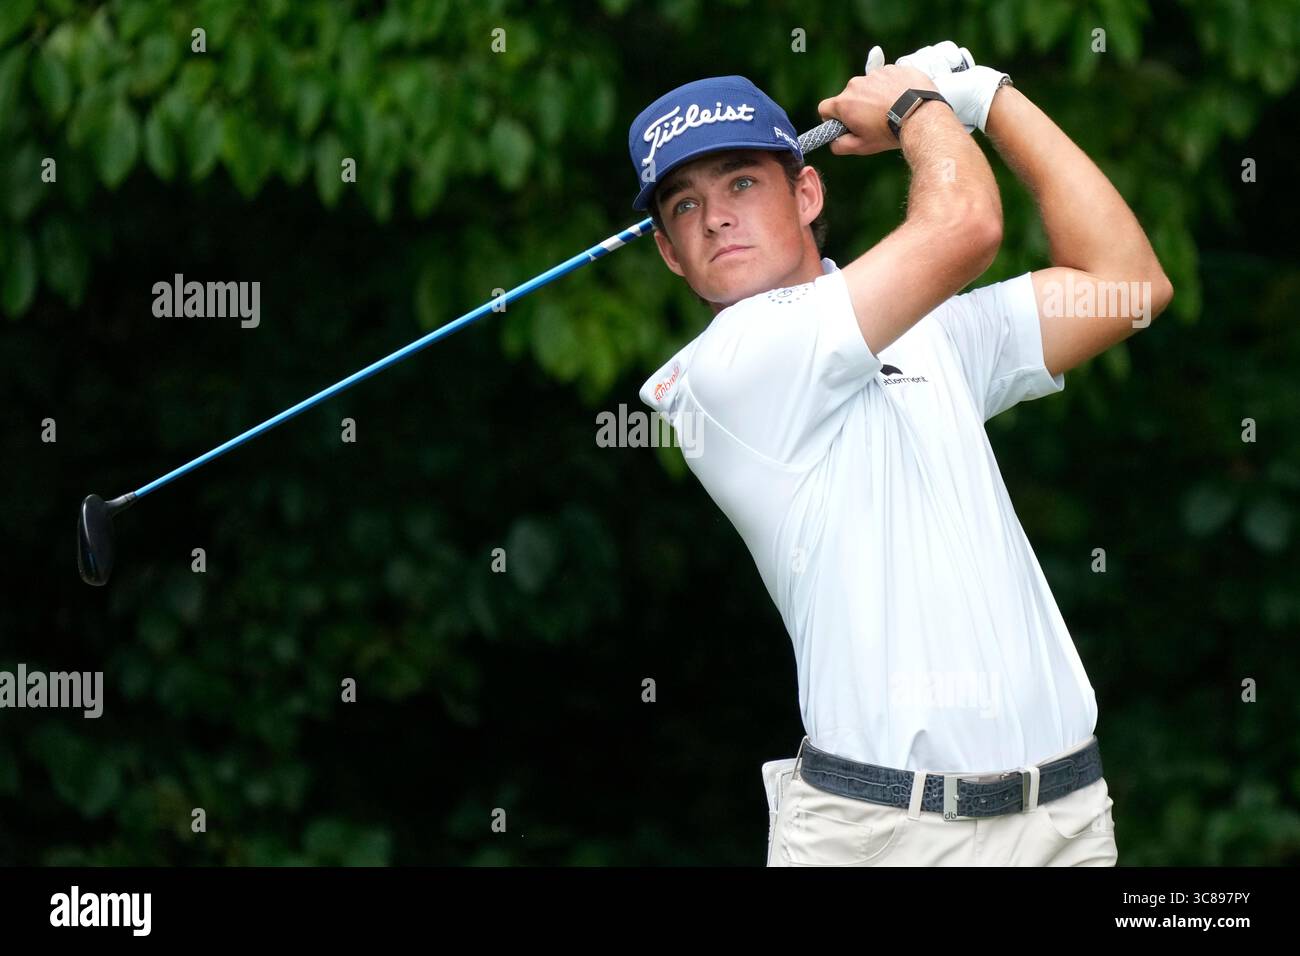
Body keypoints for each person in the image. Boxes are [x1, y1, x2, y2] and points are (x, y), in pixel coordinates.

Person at [627, 42, 1172, 866]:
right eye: (683, 206)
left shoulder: (927, 336)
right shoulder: (726, 371)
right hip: (883, 836)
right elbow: (967, 226)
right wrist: (921, 107)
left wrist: (989, 98)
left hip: (1061, 823)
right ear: (670, 251)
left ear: (806, 190)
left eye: (741, 182)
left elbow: (1128, 283)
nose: (715, 218)